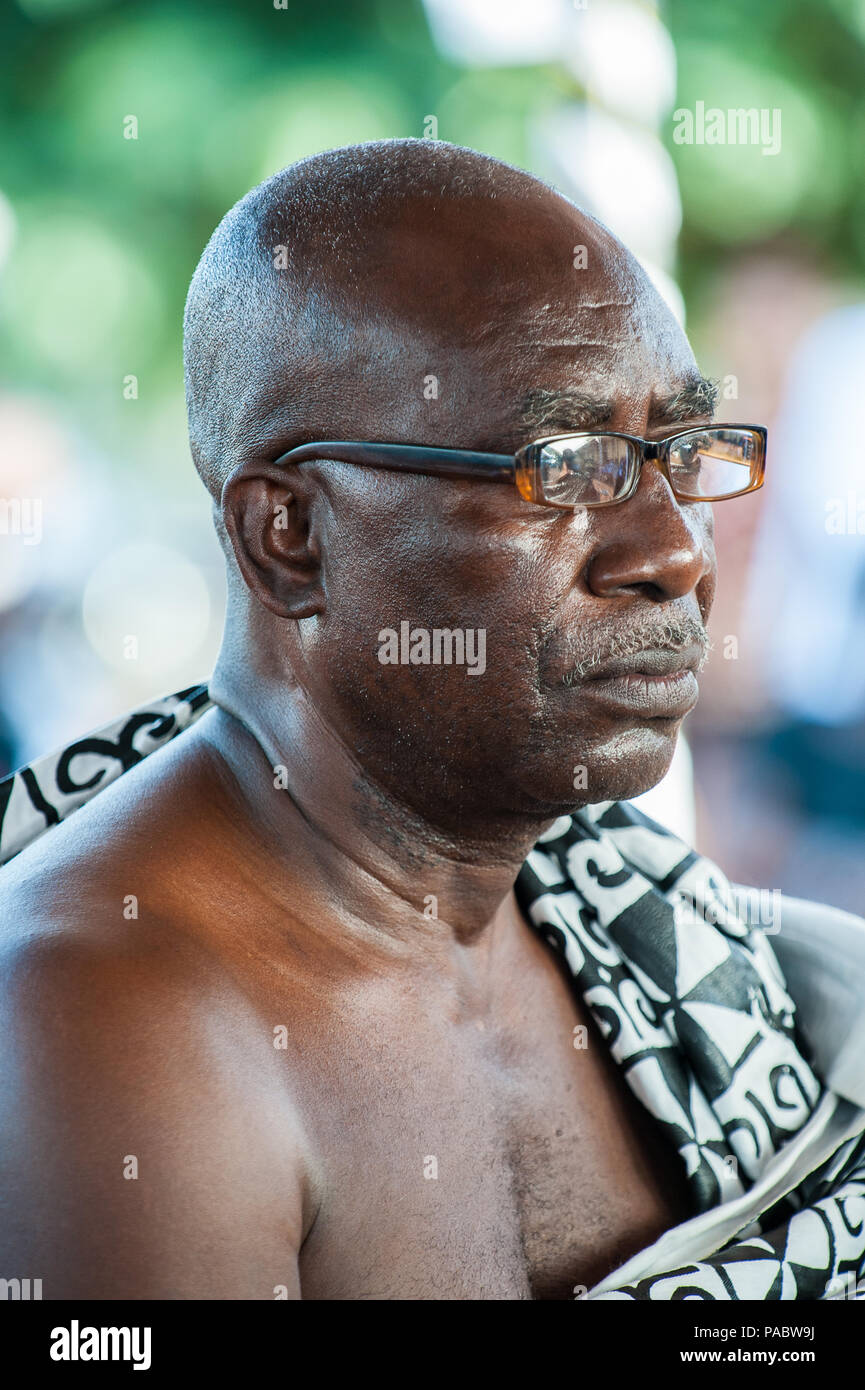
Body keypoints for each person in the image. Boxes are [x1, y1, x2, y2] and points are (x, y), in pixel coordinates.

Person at [1, 140, 863, 1301]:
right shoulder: (107, 1013)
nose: (672, 553)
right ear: (289, 536)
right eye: (566, 468)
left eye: (676, 454)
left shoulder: (638, 922)